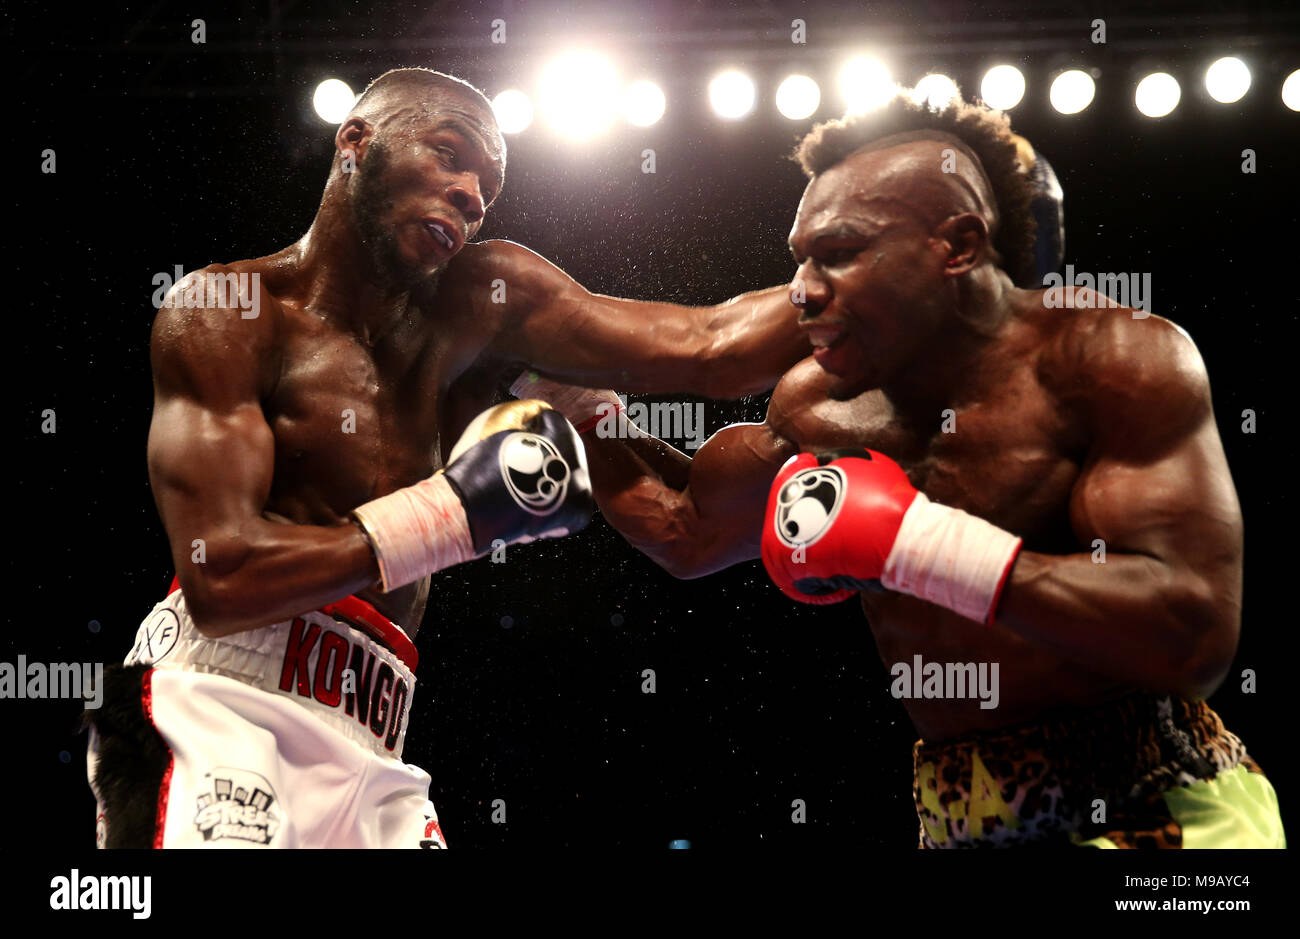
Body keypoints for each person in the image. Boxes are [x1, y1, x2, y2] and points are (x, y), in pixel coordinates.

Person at [521, 91, 1286, 848]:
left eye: (842, 253)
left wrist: (917, 545)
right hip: (956, 820)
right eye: (801, 258)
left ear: (956, 246)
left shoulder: (1109, 361)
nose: (803, 291)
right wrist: (576, 403)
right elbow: (687, 525)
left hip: (1157, 809)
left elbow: (1191, 631)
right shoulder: (820, 411)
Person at [83, 66, 805, 848]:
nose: (472, 193)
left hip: (374, 734)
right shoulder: (228, 315)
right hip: (219, 701)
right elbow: (220, 577)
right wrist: (455, 514)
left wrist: (867, 286)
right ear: (356, 143)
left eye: (488, 183)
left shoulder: (484, 304)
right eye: (450, 155)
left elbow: (707, 350)